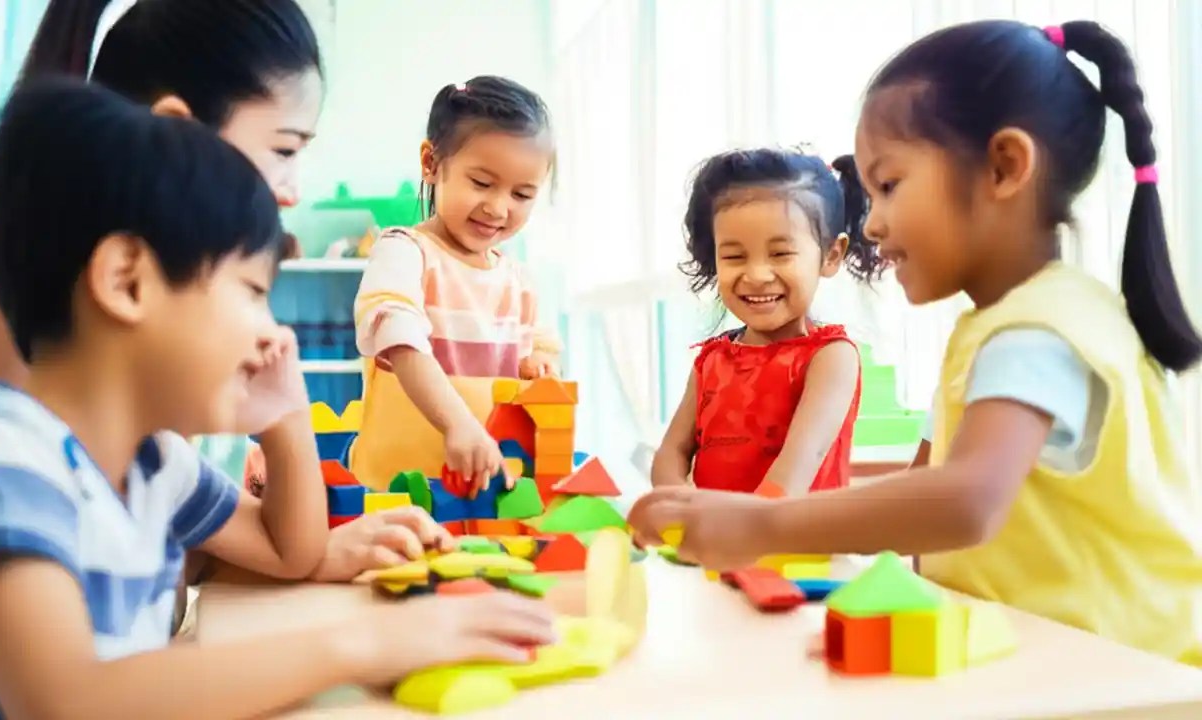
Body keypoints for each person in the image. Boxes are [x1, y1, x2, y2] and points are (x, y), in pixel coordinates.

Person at [0, 78, 556, 719]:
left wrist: (283, 417)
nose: (272, 331)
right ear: (127, 281)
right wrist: (366, 643)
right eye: (252, 291)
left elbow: (291, 550)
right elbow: (72, 702)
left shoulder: (154, 467)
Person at [629, 20, 1202, 666]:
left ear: (1005, 167)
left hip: (1117, 675)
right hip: (1049, 661)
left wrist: (762, 524)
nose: (872, 222)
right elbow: (921, 500)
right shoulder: (1012, 328)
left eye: (889, 186)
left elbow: (964, 502)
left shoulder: (1037, 333)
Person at [0, 0, 321, 437]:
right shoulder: (28, 270)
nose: (292, 191)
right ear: (178, 127)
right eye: (284, 150)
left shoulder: (130, 269)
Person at [349, 76, 562, 492]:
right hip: (393, 490)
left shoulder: (518, 281)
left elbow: (543, 351)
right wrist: (458, 424)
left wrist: (539, 366)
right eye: (482, 183)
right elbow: (398, 339)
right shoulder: (404, 252)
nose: (498, 207)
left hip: (486, 494)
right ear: (431, 163)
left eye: (522, 194)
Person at [651, 149, 881, 497]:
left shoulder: (830, 357)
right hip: (720, 543)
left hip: (798, 545)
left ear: (831, 255)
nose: (757, 275)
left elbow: (802, 460)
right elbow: (671, 453)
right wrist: (677, 506)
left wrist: (744, 534)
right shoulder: (712, 361)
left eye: (781, 253)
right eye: (733, 256)